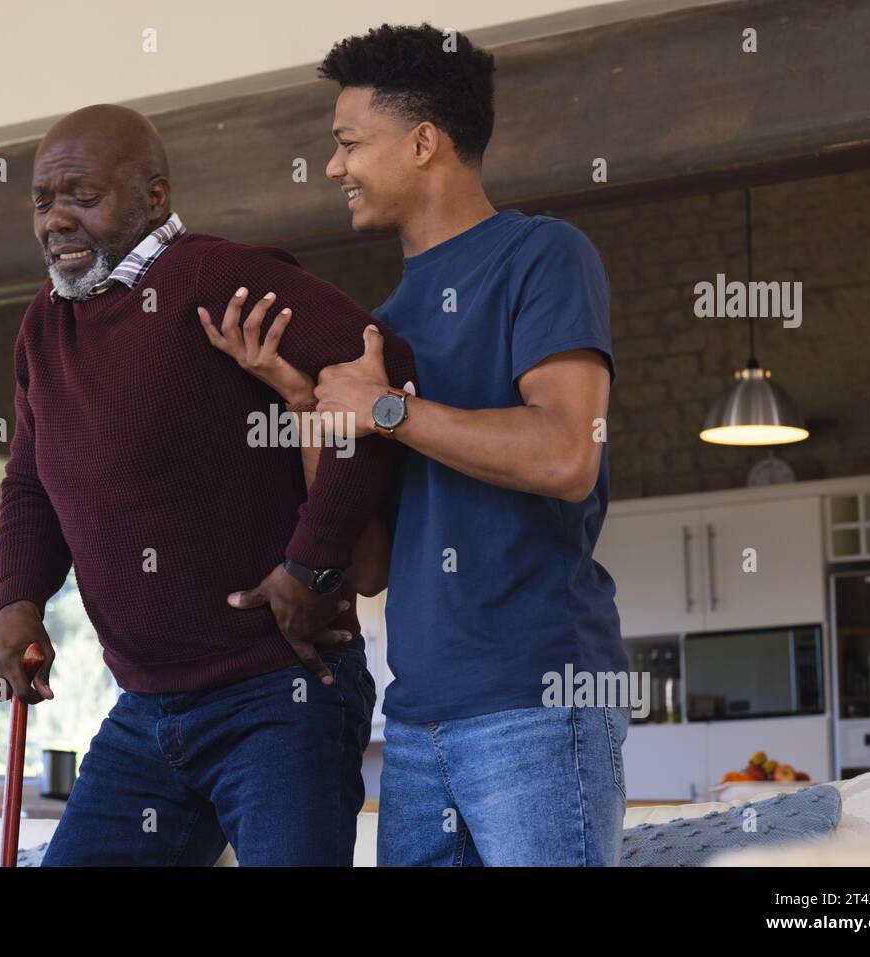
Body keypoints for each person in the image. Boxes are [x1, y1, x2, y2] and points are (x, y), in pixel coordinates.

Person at [203, 24, 629, 866]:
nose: (333, 168)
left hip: (539, 698)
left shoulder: (542, 255)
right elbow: (368, 567)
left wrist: (389, 411)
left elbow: (566, 455)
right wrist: (307, 401)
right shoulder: (381, 331)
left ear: (425, 141)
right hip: (417, 715)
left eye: (349, 143)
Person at [0, 104, 415, 866]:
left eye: (81, 195)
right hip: (144, 705)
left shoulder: (220, 278)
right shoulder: (44, 325)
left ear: (154, 197)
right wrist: (16, 598)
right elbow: (29, 482)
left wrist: (316, 558)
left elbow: (382, 370)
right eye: (42, 202)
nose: (55, 221)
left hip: (279, 692)